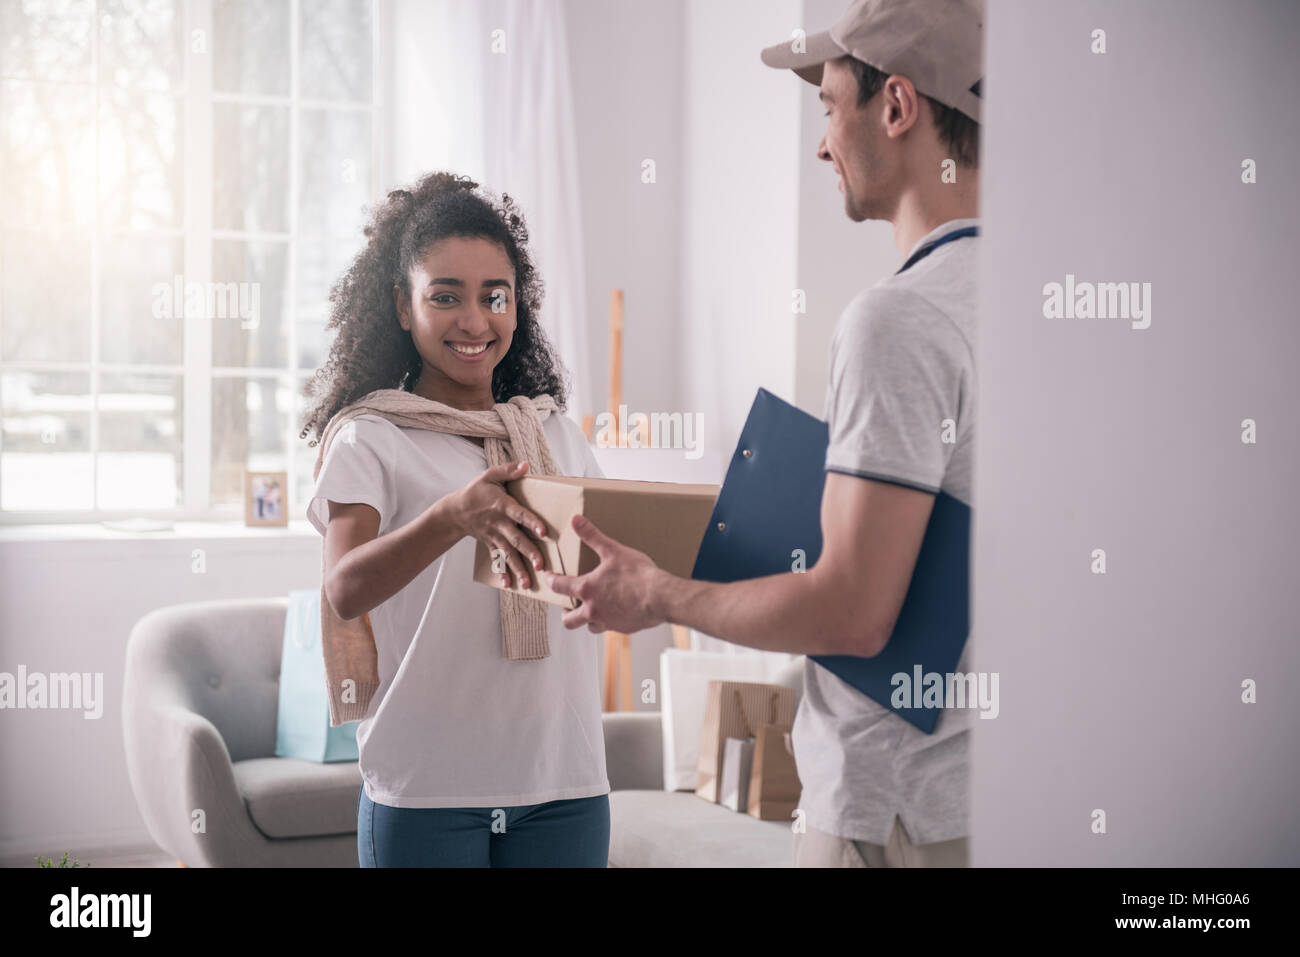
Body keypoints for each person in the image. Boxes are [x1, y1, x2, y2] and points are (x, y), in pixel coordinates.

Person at [546, 0, 985, 868]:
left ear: (896, 107)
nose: (821, 143)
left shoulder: (897, 321)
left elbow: (855, 612)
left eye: (829, 106)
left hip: (891, 810)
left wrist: (658, 594)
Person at [300, 171, 610, 867]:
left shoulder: (554, 434)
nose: (474, 320)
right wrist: (452, 517)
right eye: (445, 296)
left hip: (563, 775)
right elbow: (345, 587)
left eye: (494, 296)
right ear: (404, 308)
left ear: (517, 307)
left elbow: (598, 569)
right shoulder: (371, 438)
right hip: (426, 785)